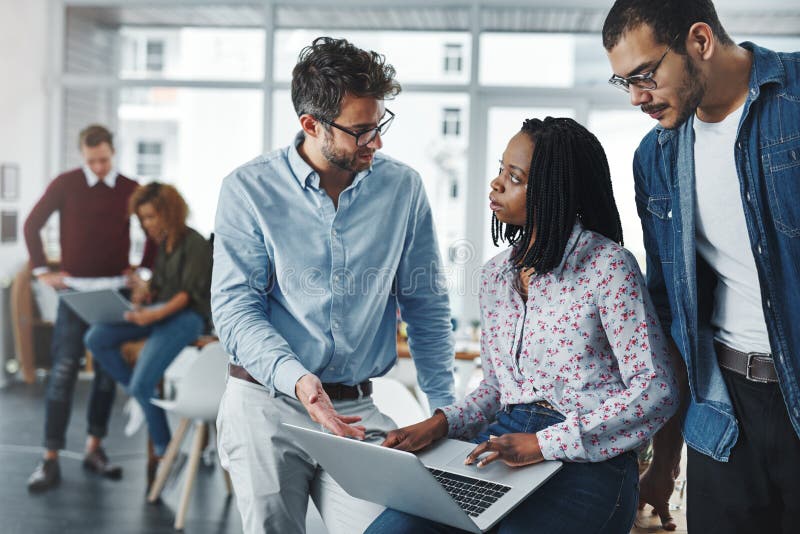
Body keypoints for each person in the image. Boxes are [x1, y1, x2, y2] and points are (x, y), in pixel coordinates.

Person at [365, 117, 678, 534]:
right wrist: (439, 423)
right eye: (500, 171)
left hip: (589, 460)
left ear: (554, 191)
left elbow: (656, 388)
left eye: (515, 178)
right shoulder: (496, 276)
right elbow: (496, 391)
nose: (495, 185)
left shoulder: (608, 267)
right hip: (504, 442)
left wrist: (544, 444)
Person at [212, 37, 456, 534]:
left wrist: (445, 412)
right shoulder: (248, 190)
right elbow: (236, 310)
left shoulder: (403, 188)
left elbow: (425, 304)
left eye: (380, 125)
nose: (377, 143)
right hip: (267, 405)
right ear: (311, 125)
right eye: (362, 131)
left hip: (358, 409)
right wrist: (299, 380)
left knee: (396, 527)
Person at [603, 1, 800, 532]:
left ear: (700, 40)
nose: (637, 98)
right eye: (624, 83)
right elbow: (671, 310)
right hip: (725, 407)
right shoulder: (656, 158)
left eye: (645, 76)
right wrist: (664, 461)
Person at [24, 124, 155, 493]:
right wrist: (41, 271)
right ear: (83, 155)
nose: (98, 167)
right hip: (74, 295)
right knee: (63, 372)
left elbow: (154, 232)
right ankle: (50, 458)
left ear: (113, 153)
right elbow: (32, 224)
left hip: (115, 294)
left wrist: (142, 270)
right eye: (91, 160)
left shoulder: (130, 188)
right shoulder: (66, 184)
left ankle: (94, 449)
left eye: (103, 159)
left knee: (104, 377)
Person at [83, 182, 212, 489]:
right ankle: (142, 397)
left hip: (187, 319)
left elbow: (185, 296)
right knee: (96, 337)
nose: (147, 224)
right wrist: (142, 294)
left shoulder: (194, 243)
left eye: (152, 217)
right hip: (157, 313)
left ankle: (166, 450)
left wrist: (151, 314)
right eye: (143, 219)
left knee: (142, 383)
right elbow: (161, 289)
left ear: (169, 213)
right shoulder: (164, 246)